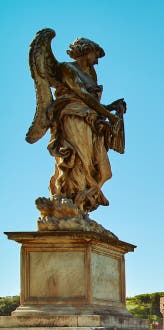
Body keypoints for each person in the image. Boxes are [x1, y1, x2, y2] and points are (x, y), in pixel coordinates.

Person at [27, 30, 126, 215]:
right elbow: (83, 96)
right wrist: (109, 115)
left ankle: (81, 204)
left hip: (90, 120)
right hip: (73, 117)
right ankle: (71, 202)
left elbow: (91, 101)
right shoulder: (67, 69)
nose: (96, 61)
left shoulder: (90, 74)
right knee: (79, 160)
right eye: (95, 55)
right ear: (85, 50)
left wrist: (111, 107)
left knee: (98, 166)